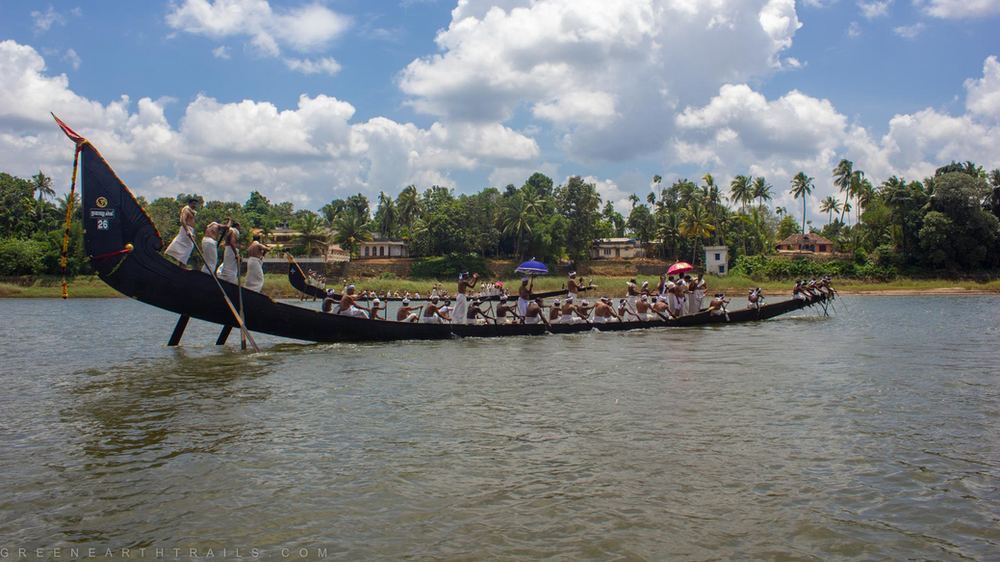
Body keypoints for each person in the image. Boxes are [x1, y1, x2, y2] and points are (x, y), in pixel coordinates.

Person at [164, 198, 198, 268]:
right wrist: (187, 230)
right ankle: (183, 264)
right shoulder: (186, 210)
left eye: (195, 204)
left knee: (187, 246)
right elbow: (183, 220)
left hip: (190, 229)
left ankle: (182, 263)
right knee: (189, 246)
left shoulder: (192, 212)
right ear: (190, 203)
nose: (195, 205)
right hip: (186, 229)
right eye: (193, 203)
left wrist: (193, 233)